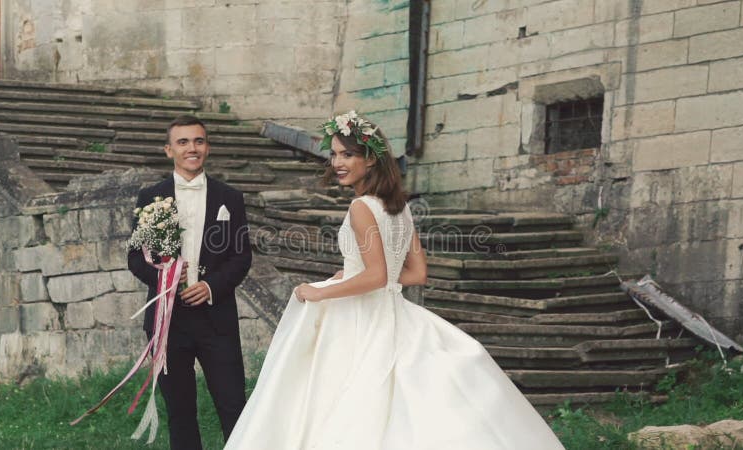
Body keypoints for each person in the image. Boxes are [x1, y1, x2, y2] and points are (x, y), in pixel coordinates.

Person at [224, 111, 564, 449]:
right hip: (394, 312)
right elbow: (416, 274)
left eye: (348, 154)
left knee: (340, 401)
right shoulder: (400, 207)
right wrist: (357, 275)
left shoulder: (361, 207)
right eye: (335, 154)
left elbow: (377, 275)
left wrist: (320, 291)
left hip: (362, 318)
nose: (338, 162)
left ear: (370, 159)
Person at [127, 115, 252, 450]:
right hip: (169, 323)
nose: (191, 148)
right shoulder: (150, 198)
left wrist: (212, 287)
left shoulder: (230, 198)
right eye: (183, 142)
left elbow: (242, 257)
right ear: (169, 150)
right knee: (180, 412)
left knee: (233, 407)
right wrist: (164, 278)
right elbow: (136, 258)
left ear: (207, 147)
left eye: (198, 141)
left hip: (216, 320)